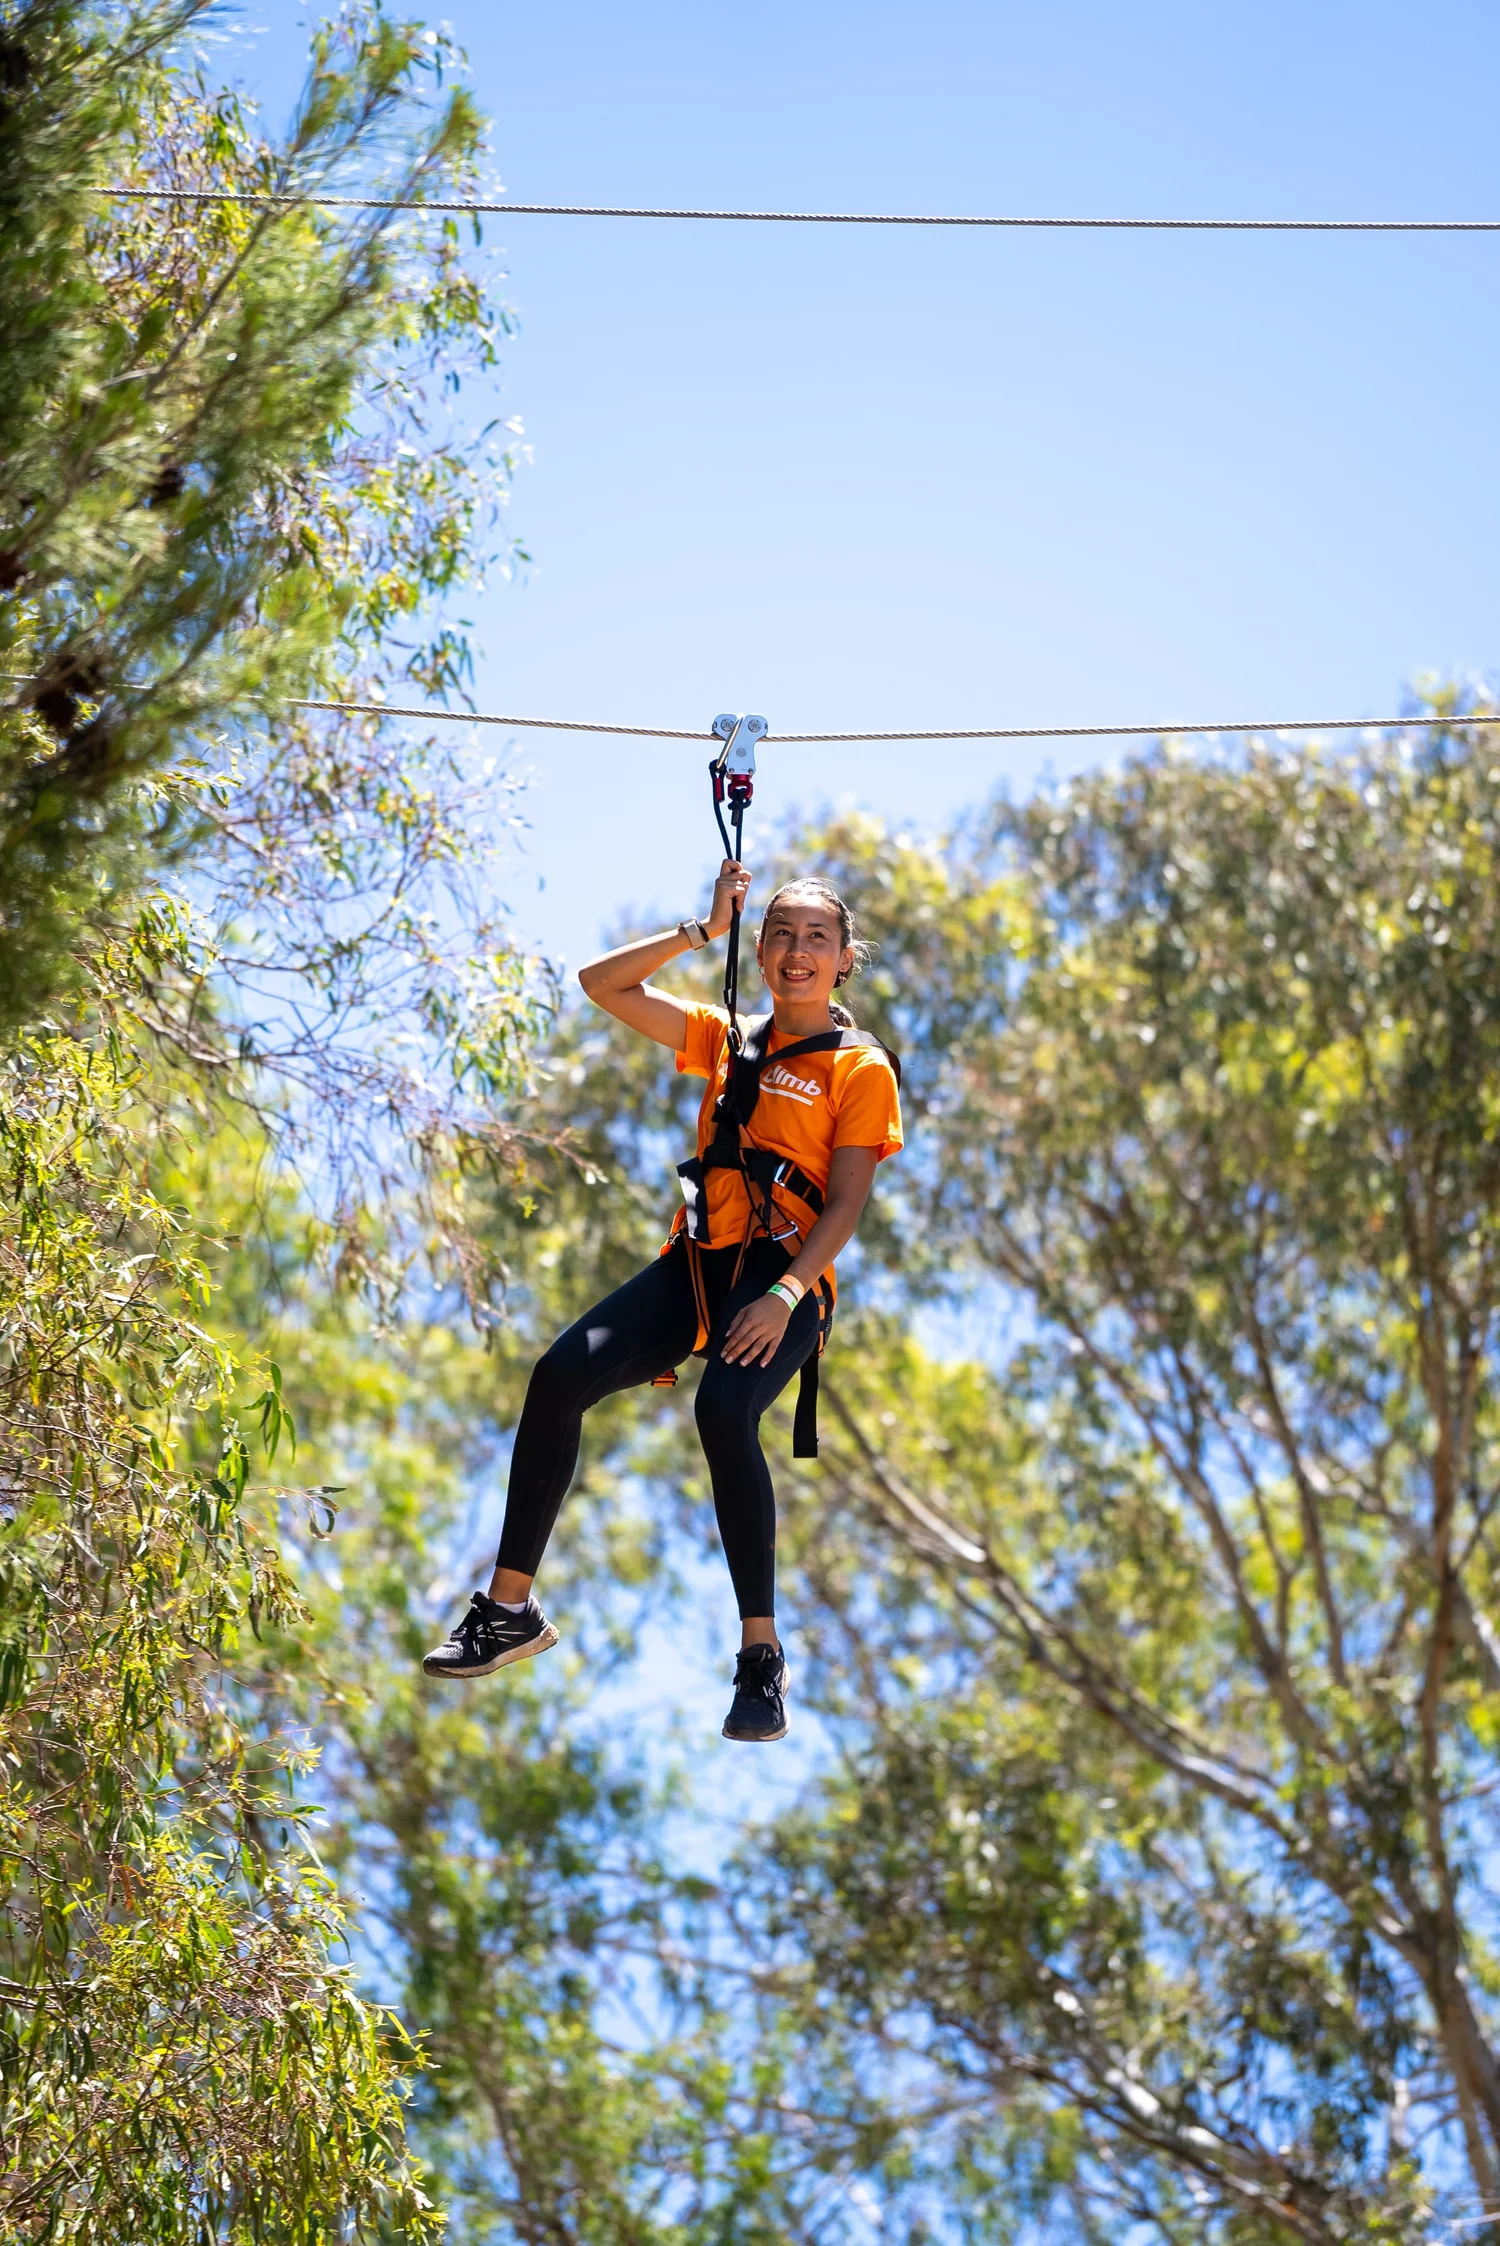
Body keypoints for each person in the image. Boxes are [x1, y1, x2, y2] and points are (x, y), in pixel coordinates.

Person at [422, 858, 903, 1743]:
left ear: (843, 961)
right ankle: (509, 1609)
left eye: (817, 939)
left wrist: (788, 1294)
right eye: (781, 934)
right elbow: (602, 984)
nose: (798, 951)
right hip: (697, 1264)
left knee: (725, 1409)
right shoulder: (727, 1037)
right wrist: (701, 929)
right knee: (559, 1375)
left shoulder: (858, 1067)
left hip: (784, 1275)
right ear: (760, 951)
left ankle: (760, 1658)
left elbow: (847, 1202)